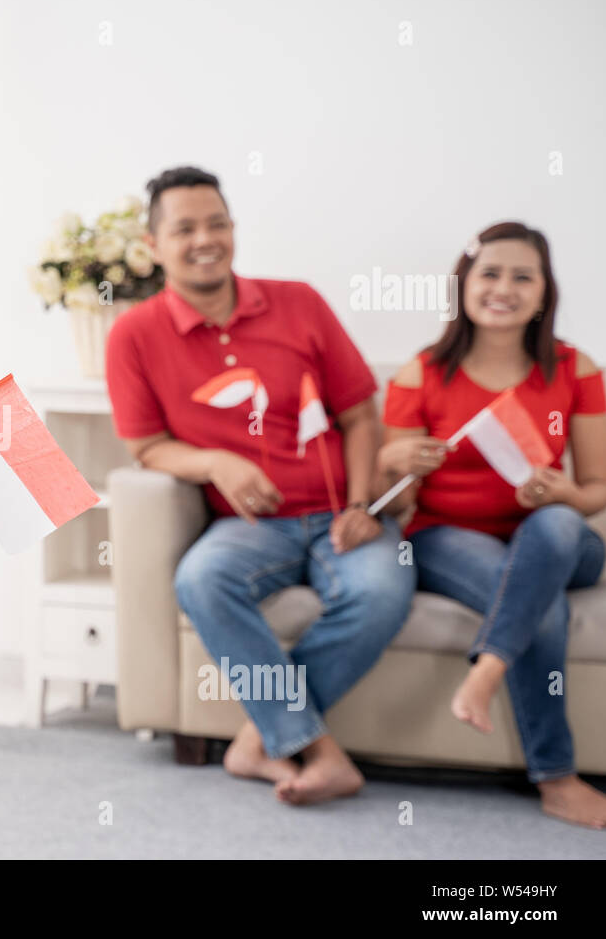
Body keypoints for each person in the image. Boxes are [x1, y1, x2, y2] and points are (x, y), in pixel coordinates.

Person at [105, 165, 413, 805]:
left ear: (234, 229)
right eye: (184, 227)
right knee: (200, 578)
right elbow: (146, 447)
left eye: (217, 222)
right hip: (248, 529)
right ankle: (315, 748)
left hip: (338, 513)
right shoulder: (132, 335)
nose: (204, 238)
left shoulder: (299, 302)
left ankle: (260, 739)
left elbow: (360, 415)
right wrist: (216, 462)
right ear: (153, 244)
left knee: (382, 589)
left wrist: (360, 504)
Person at [379, 221, 606, 829]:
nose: (504, 287)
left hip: (557, 537)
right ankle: (557, 778)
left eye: (522, 276)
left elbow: (598, 491)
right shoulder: (420, 372)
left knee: (556, 527)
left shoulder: (575, 369)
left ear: (543, 293)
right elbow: (394, 502)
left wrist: (565, 493)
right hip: (444, 536)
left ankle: (485, 670)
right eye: (490, 273)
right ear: (465, 284)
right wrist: (398, 460)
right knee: (545, 608)